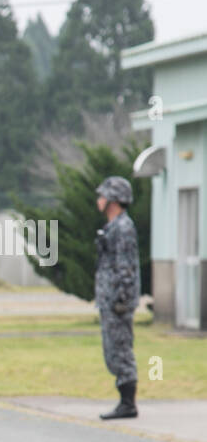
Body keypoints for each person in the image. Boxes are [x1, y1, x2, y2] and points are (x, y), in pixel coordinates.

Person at [94, 175, 140, 419]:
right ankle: (125, 401)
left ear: (113, 200)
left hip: (117, 302)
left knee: (120, 350)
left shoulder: (123, 228)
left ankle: (128, 403)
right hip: (110, 300)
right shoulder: (114, 227)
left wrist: (121, 299)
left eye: (102, 196)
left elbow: (125, 267)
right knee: (112, 350)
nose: (99, 200)